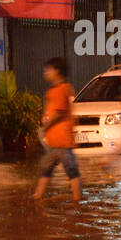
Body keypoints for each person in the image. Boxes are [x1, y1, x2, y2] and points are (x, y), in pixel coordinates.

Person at [33, 56, 81, 202]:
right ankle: (37, 196)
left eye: (48, 69)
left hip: (62, 139)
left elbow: (59, 112)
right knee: (46, 168)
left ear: (57, 71)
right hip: (55, 141)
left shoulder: (60, 90)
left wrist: (44, 126)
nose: (45, 72)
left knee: (70, 169)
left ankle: (77, 198)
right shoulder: (59, 89)